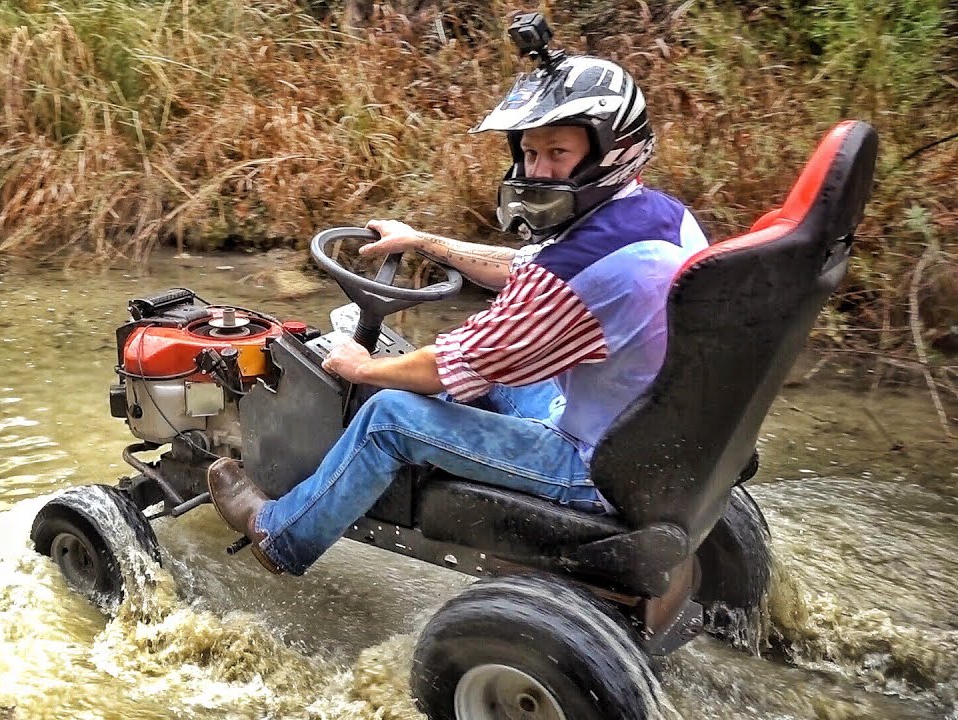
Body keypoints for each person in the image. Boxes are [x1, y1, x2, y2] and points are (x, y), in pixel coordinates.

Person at [207, 55, 709, 576]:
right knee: (478, 378)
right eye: (531, 152)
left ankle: (283, 533)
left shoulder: (573, 274)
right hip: (645, 441)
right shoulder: (660, 217)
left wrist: (359, 367)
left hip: (592, 468)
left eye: (558, 152)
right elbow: (522, 266)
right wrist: (424, 242)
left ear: (612, 151)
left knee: (389, 416)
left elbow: (445, 366)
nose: (537, 171)